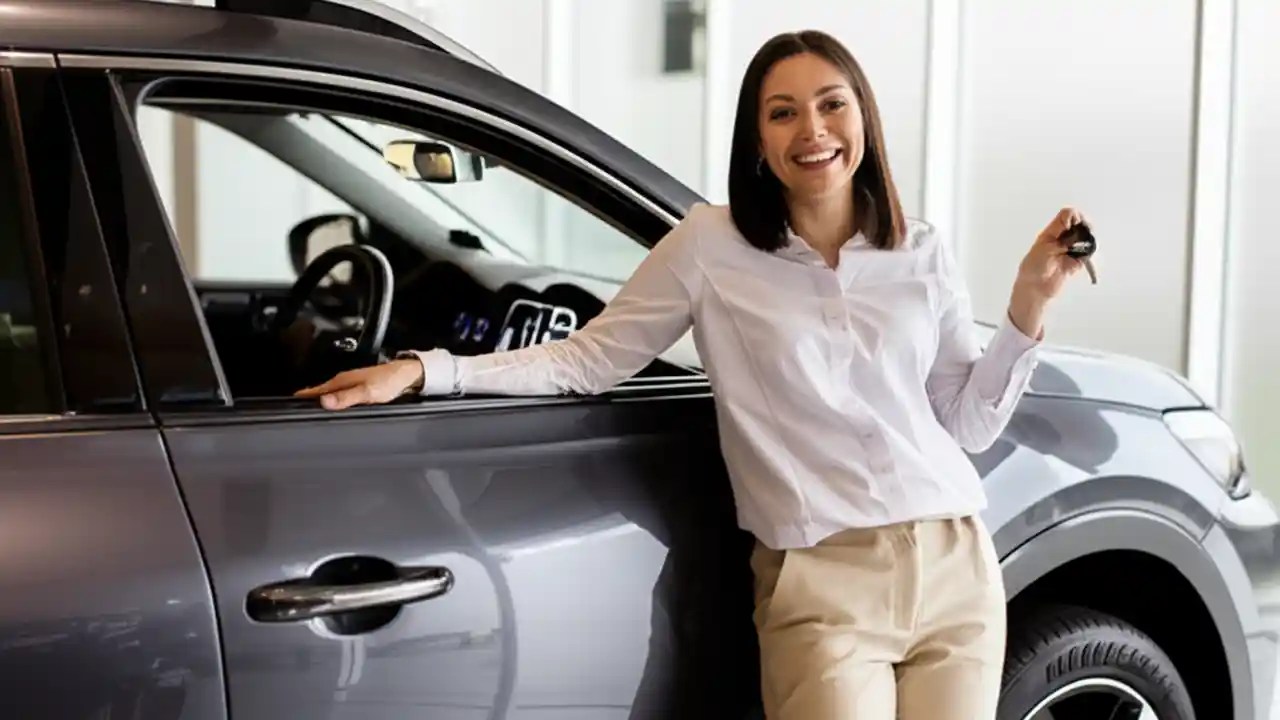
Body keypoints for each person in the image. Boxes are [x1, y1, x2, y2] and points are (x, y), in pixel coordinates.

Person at [296, 29, 1089, 720]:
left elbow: (965, 427)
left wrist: (1027, 307)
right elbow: (587, 360)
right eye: (783, 113)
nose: (812, 130)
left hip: (954, 566)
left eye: (832, 104)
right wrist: (426, 371)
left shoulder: (921, 248)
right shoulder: (710, 245)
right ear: (757, 139)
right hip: (822, 583)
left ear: (863, 118)